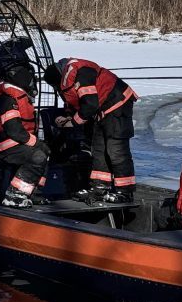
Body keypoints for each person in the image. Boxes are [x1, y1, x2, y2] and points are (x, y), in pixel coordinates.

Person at [43, 57, 137, 203]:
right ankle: (100, 187)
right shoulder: (66, 80)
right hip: (102, 111)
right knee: (98, 149)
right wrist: (68, 116)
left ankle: (125, 191)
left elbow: (90, 105)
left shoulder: (81, 73)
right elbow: (75, 102)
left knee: (116, 149)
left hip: (118, 104)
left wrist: (73, 122)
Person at [0, 57, 50, 208]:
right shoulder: (6, 98)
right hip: (1, 144)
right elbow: (14, 130)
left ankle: (33, 192)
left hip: (11, 142)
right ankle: (15, 194)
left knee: (44, 152)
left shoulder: (11, 93)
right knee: (38, 155)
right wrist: (37, 143)